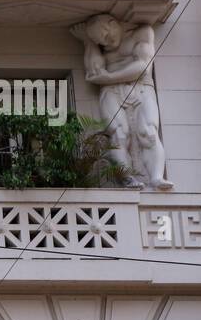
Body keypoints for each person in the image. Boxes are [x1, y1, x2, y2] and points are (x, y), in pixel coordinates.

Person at [70, 14, 173, 190]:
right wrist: (88, 42)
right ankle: (127, 178)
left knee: (148, 131)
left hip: (140, 86)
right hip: (111, 92)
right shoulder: (99, 43)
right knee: (119, 135)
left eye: (108, 37)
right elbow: (94, 72)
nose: (107, 44)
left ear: (114, 24)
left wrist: (109, 77)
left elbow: (143, 67)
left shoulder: (142, 33)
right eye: (101, 43)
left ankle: (156, 177)